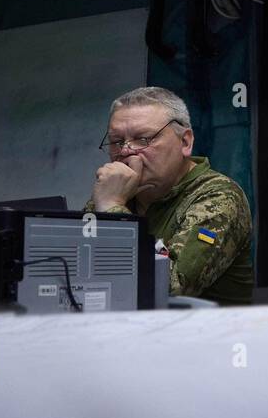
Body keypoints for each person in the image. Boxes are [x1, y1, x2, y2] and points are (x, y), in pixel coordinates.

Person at [86, 86, 253, 305]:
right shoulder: (116, 193)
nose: (125, 151)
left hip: (206, 334)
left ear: (185, 142)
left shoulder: (219, 196)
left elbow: (170, 287)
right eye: (117, 141)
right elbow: (76, 267)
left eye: (143, 139)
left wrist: (112, 208)